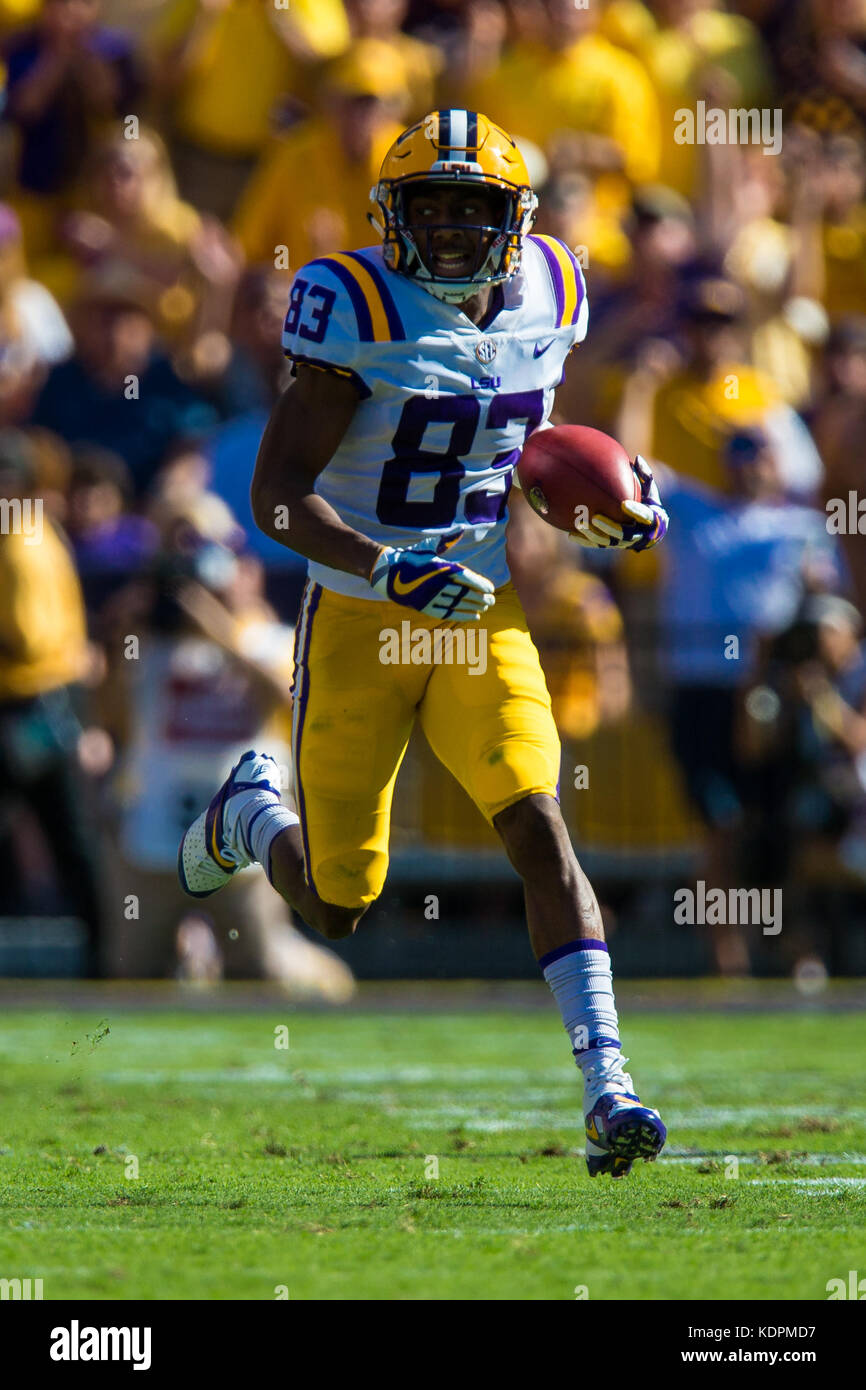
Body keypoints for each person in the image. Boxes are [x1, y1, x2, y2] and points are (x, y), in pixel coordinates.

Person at [177, 107, 670, 1179]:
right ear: (390, 216)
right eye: (428, 205)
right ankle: (256, 812)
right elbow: (273, 498)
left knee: (536, 820)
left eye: (470, 207)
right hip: (359, 613)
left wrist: (616, 494)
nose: (448, 229)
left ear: (513, 219)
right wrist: (388, 564)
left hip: (478, 612)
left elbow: (526, 438)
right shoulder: (350, 305)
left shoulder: (553, 286)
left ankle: (606, 1083)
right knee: (339, 905)